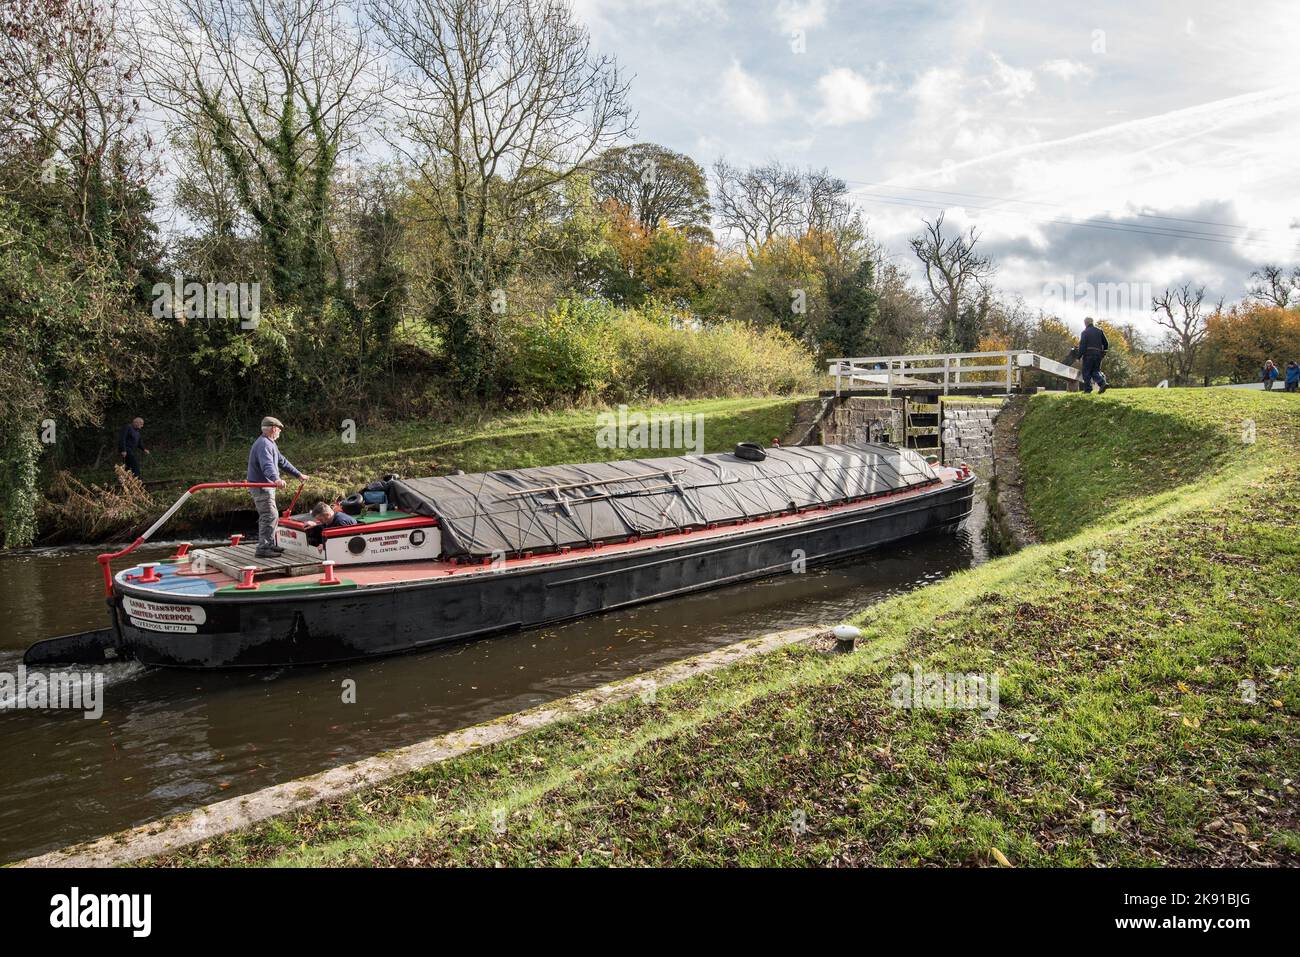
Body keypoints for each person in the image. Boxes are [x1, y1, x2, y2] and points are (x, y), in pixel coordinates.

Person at [246, 416, 311, 559]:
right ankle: (263, 548)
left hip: (265, 486)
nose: (280, 432)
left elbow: (282, 461)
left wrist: (298, 474)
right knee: (269, 515)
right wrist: (276, 479)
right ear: (274, 429)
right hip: (261, 487)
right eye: (279, 430)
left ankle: (268, 544)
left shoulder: (269, 443)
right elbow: (267, 464)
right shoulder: (264, 444)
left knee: (272, 515)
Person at [1078, 316, 1109, 394]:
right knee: (1095, 371)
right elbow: (1106, 343)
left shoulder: (1085, 332)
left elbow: (1082, 346)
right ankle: (1102, 383)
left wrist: (1079, 356)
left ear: (1086, 323)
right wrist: (1104, 352)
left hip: (1088, 355)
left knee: (1086, 372)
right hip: (1098, 354)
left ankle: (1088, 389)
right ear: (1092, 322)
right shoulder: (1099, 331)